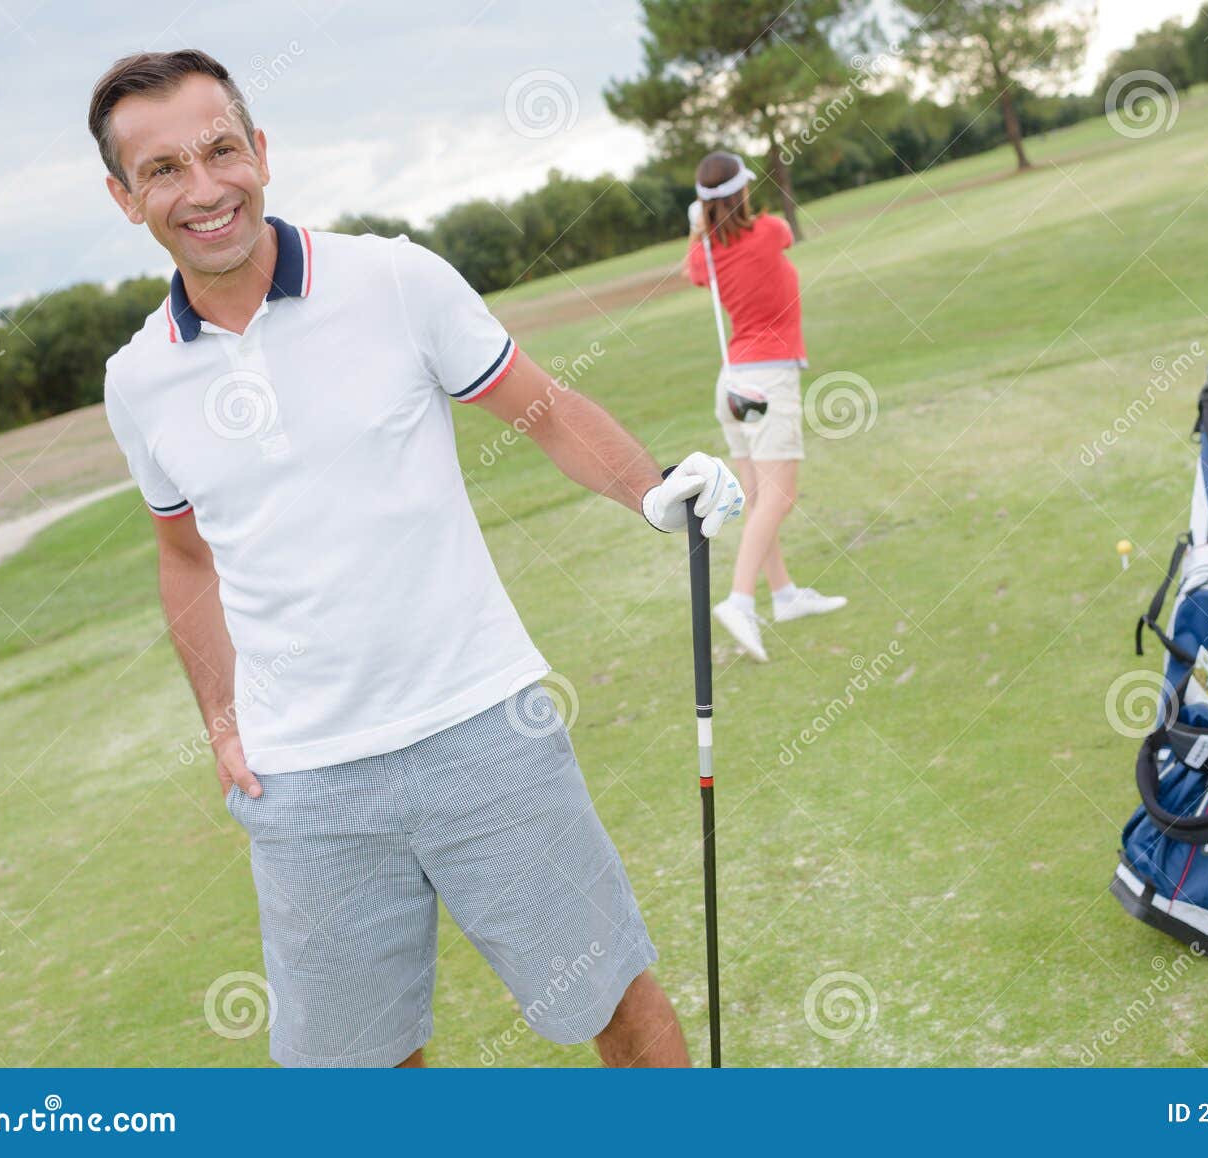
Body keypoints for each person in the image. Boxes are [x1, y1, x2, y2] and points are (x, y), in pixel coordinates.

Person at [88, 50, 745, 1068]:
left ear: (261, 151)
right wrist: (221, 720)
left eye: (221, 149)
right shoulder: (136, 381)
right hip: (303, 786)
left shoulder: (392, 278)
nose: (205, 187)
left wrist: (650, 490)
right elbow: (185, 557)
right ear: (125, 197)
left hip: (483, 725)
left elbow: (543, 407)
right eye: (164, 168)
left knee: (612, 1003)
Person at [685, 151, 846, 663]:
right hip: (766, 381)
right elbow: (779, 234)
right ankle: (739, 599)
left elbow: (697, 267)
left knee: (759, 499)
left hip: (732, 384)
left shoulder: (704, 253)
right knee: (779, 499)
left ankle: (784, 596)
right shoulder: (771, 228)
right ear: (743, 192)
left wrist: (699, 225)